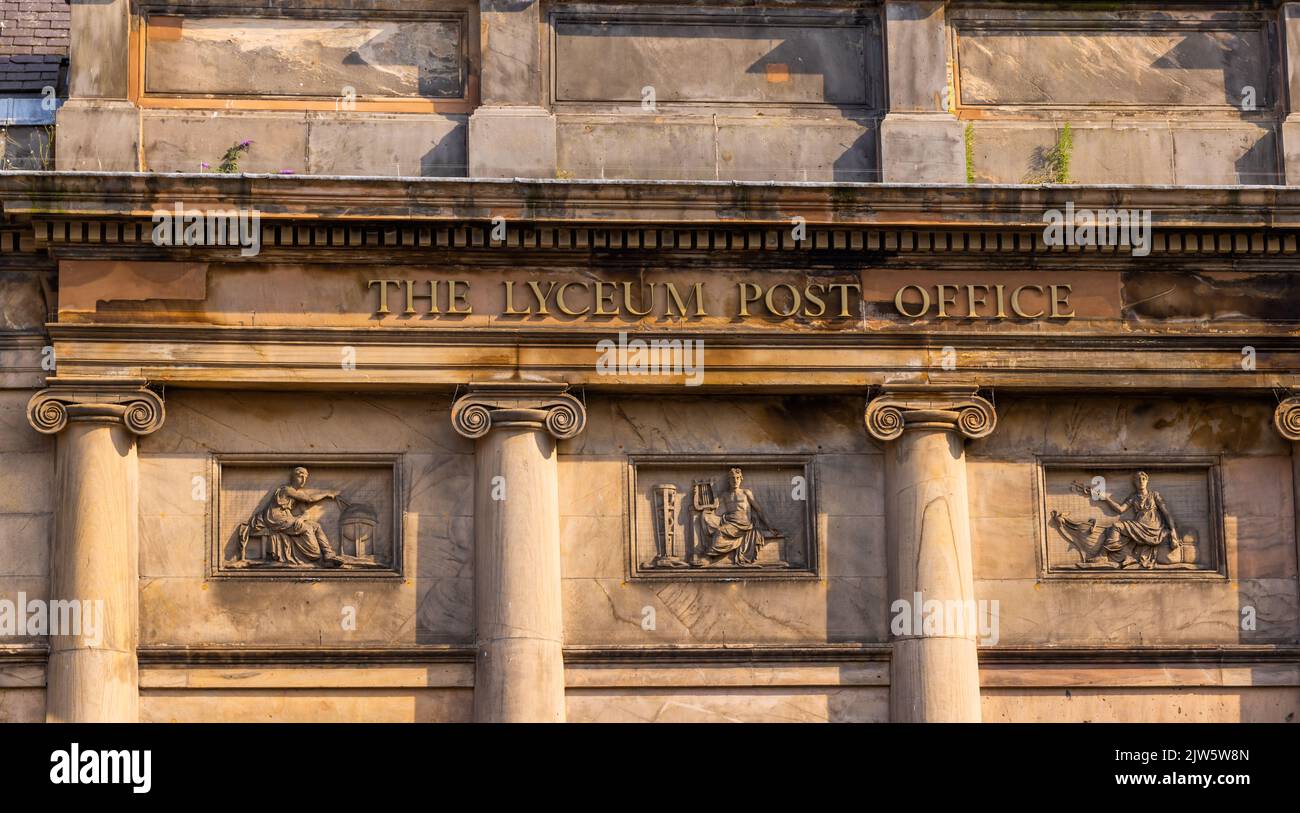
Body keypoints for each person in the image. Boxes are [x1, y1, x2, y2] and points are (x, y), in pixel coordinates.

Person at [1069, 470, 1179, 569]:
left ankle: (1103, 554)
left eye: (1143, 479)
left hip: (1153, 528)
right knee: (1117, 526)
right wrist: (1105, 498)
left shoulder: (1154, 495)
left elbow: (1166, 513)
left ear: (1147, 481)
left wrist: (1173, 531)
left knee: (1117, 527)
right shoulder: (1133, 497)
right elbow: (1120, 509)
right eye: (1138, 479)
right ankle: (1104, 556)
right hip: (1138, 526)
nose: (1141, 481)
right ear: (1134, 483)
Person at [239, 467, 344, 567]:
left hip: (286, 518)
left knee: (316, 526)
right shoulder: (287, 490)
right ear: (293, 477)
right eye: (300, 476)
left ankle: (328, 554)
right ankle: (315, 555)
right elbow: (310, 498)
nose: (303, 480)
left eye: (305, 477)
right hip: (275, 518)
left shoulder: (298, 493)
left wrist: (301, 518)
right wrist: (326, 494)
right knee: (307, 528)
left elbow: (306, 512)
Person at [691, 467, 774, 567]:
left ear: (741, 479)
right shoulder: (725, 495)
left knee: (720, 532)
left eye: (737, 478)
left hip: (743, 524)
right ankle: (709, 555)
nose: (735, 481)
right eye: (732, 478)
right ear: (729, 480)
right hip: (729, 521)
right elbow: (712, 507)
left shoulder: (746, 493)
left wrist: (769, 526)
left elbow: (758, 509)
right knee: (711, 522)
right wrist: (696, 494)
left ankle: (709, 557)